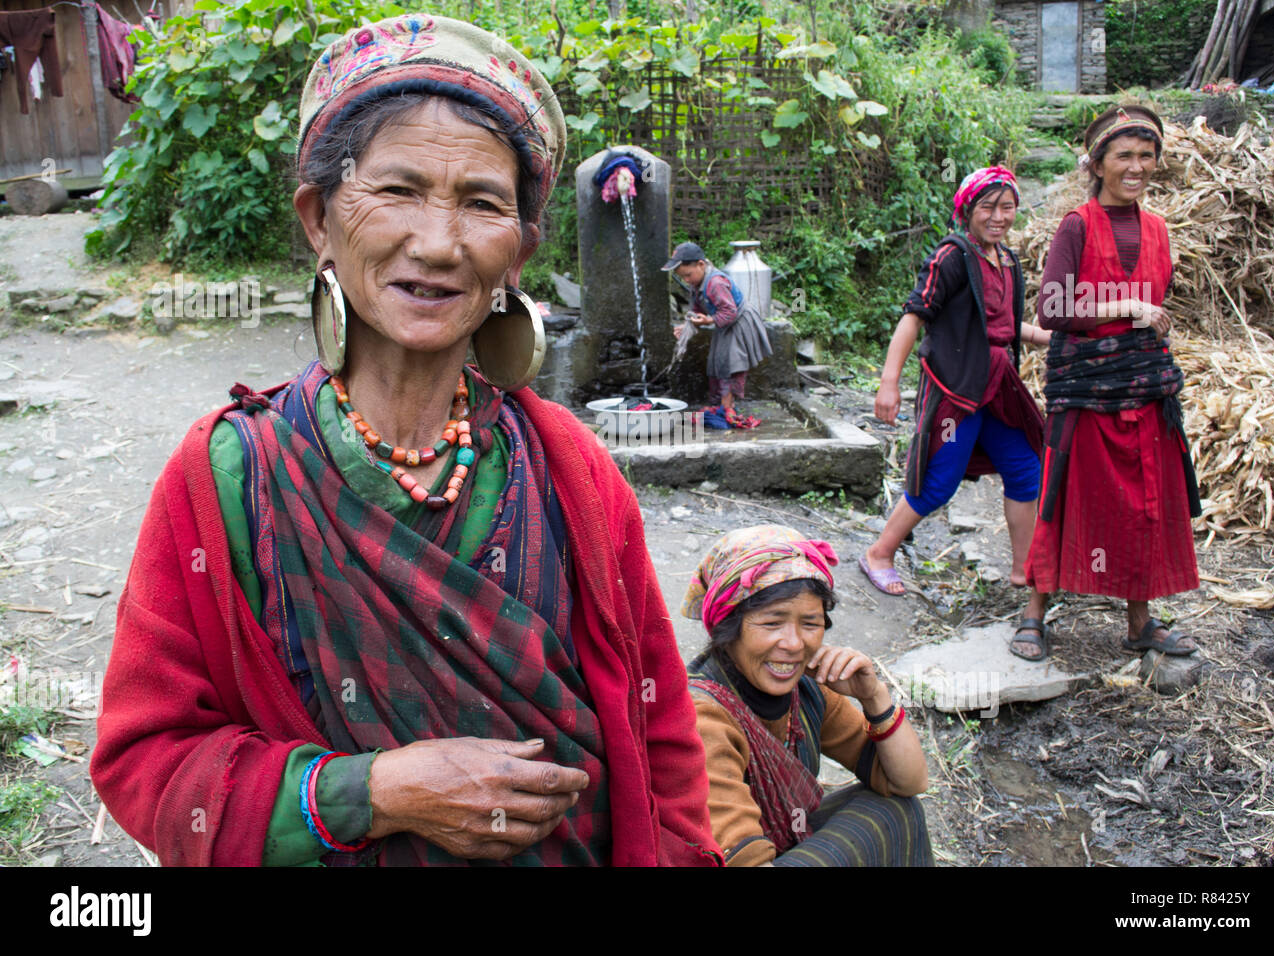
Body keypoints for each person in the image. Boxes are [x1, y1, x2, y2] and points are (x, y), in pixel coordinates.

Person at [89, 14, 720, 867]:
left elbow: (662, 739)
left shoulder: (571, 469)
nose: (437, 242)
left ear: (521, 250)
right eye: (397, 190)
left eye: (482, 203)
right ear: (319, 218)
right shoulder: (226, 475)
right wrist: (373, 792)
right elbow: (146, 765)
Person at [1020, 105, 1200, 659]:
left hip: (1143, 390)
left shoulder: (1159, 230)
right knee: (1064, 497)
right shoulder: (1078, 224)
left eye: (1147, 156)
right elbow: (1051, 308)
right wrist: (1124, 303)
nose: (1137, 166)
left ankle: (1139, 622)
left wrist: (1137, 318)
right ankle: (1033, 614)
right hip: (1086, 393)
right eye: (1124, 155)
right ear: (1097, 163)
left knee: (1143, 503)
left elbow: (1157, 304)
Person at [859, 167, 1052, 656]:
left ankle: (1023, 568)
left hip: (999, 388)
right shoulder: (952, 256)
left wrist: (1054, 337)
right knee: (938, 483)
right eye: (987, 207)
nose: (998, 216)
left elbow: (1005, 326)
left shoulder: (1006, 259)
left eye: (1007, 207)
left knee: (1027, 470)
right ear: (967, 209)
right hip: (957, 390)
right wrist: (890, 382)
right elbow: (914, 316)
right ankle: (879, 553)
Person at [683, 525, 932, 866]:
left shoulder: (806, 691)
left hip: (783, 840)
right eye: (772, 623)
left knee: (898, 810)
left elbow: (908, 781)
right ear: (728, 627)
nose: (794, 644)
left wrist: (873, 696)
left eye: (810, 624)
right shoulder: (703, 718)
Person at [664, 241, 772, 425]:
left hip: (738, 323)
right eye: (683, 277)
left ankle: (727, 408)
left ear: (701, 264)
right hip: (724, 324)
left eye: (688, 275)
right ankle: (721, 404)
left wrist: (709, 320)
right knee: (717, 362)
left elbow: (729, 311)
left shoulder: (715, 283)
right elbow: (698, 310)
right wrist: (687, 327)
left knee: (730, 365)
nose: (687, 280)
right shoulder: (697, 284)